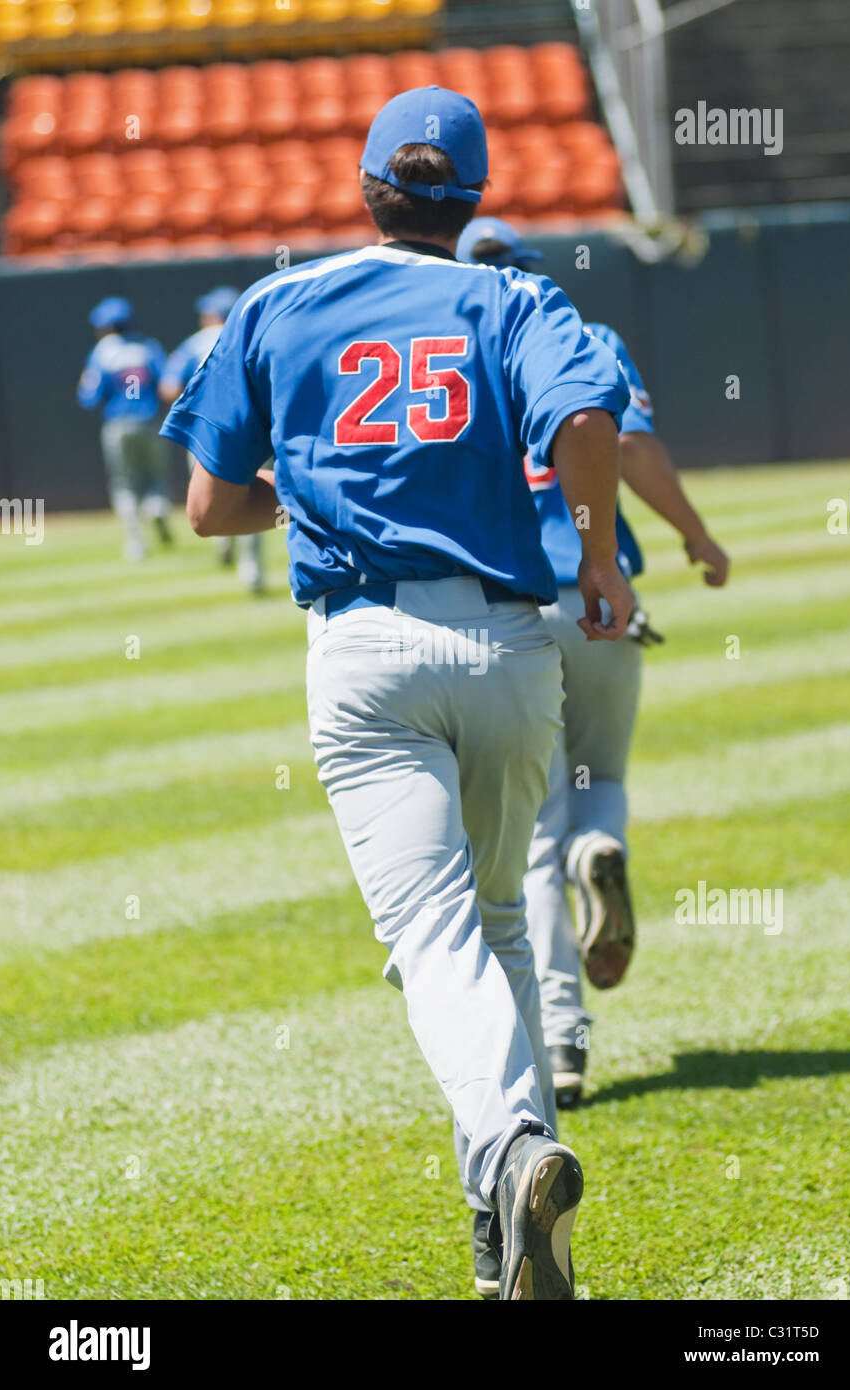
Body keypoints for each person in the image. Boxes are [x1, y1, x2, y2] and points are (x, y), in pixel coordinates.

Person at [161, 86, 635, 1300]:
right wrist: (593, 550)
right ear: (473, 198)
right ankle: (503, 1238)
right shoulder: (513, 295)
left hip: (365, 646)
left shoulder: (276, 300)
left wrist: (317, 498)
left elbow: (209, 508)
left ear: (367, 185)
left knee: (436, 939)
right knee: (499, 926)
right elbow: (586, 413)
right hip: (506, 640)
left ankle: (515, 1153)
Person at [458, 219, 730, 1110]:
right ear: (532, 270)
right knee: (600, 776)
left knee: (535, 833)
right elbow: (632, 445)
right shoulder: (576, 335)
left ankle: (564, 1042)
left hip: (503, 612)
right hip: (601, 600)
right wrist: (694, 535)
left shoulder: (440, 353)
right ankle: (603, 845)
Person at [160, 287, 266, 593]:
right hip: (251, 432)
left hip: (205, 433)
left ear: (210, 315)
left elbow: (168, 386)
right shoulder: (252, 336)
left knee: (212, 495)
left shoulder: (194, 343)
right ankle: (252, 570)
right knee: (249, 495)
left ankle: (222, 538)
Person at [77, 296, 173, 561]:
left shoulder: (102, 352)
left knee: (124, 485)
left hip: (118, 424)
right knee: (155, 477)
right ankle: (156, 507)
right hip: (149, 422)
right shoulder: (148, 348)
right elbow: (167, 385)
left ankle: (135, 543)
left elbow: (89, 396)